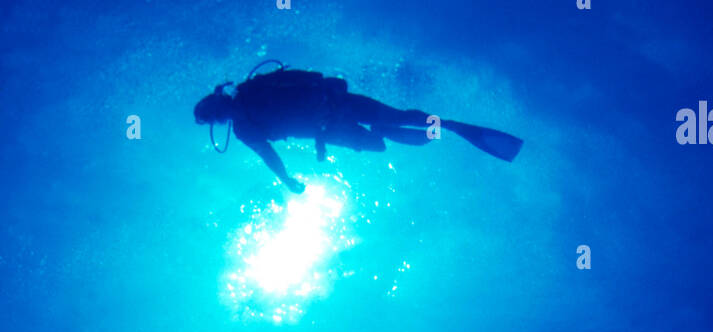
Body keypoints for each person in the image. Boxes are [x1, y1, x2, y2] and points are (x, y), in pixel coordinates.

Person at [194, 63, 522, 192]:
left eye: (216, 112)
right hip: (328, 130)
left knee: (397, 117)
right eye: (216, 117)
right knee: (379, 143)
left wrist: (324, 93)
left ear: (218, 105)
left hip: (335, 108)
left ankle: (444, 126)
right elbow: (268, 155)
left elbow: (302, 79)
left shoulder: (253, 89)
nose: (222, 115)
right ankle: (406, 128)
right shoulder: (245, 130)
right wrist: (286, 178)